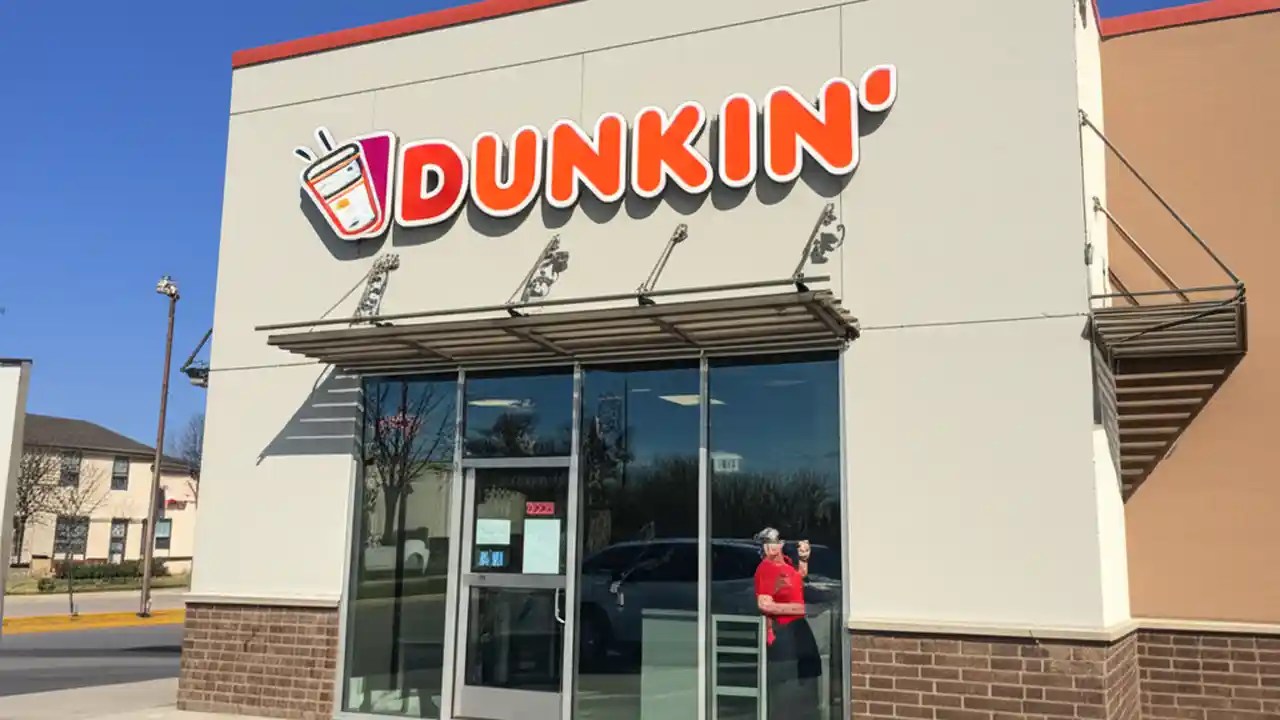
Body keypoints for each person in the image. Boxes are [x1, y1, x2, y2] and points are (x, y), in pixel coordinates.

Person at [753, 526, 822, 720]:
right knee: (788, 683)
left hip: (798, 627)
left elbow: (798, 577)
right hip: (782, 630)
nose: (775, 546)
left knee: (808, 672)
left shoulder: (785, 564)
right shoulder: (765, 569)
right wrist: (799, 609)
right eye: (769, 543)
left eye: (777, 541)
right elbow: (765, 605)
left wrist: (804, 559)